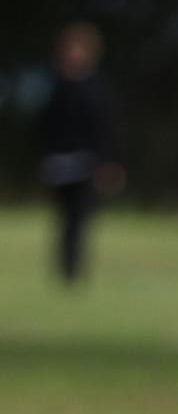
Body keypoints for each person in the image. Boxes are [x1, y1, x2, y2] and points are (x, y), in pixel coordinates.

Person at [38, 24, 124, 283]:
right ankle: (64, 267)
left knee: (80, 217)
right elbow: (44, 127)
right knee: (63, 217)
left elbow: (106, 128)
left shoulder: (97, 89)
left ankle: (74, 269)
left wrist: (108, 163)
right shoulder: (56, 87)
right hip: (59, 162)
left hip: (87, 162)